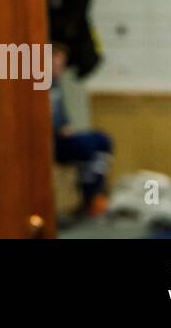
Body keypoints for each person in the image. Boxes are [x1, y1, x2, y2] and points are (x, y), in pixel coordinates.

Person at [49, 42, 112, 218]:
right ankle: (88, 197)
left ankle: (93, 195)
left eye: (61, 65)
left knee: (102, 140)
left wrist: (66, 127)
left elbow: (63, 117)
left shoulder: (55, 85)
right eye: (55, 64)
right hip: (49, 140)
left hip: (62, 135)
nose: (59, 69)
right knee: (86, 147)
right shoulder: (36, 85)